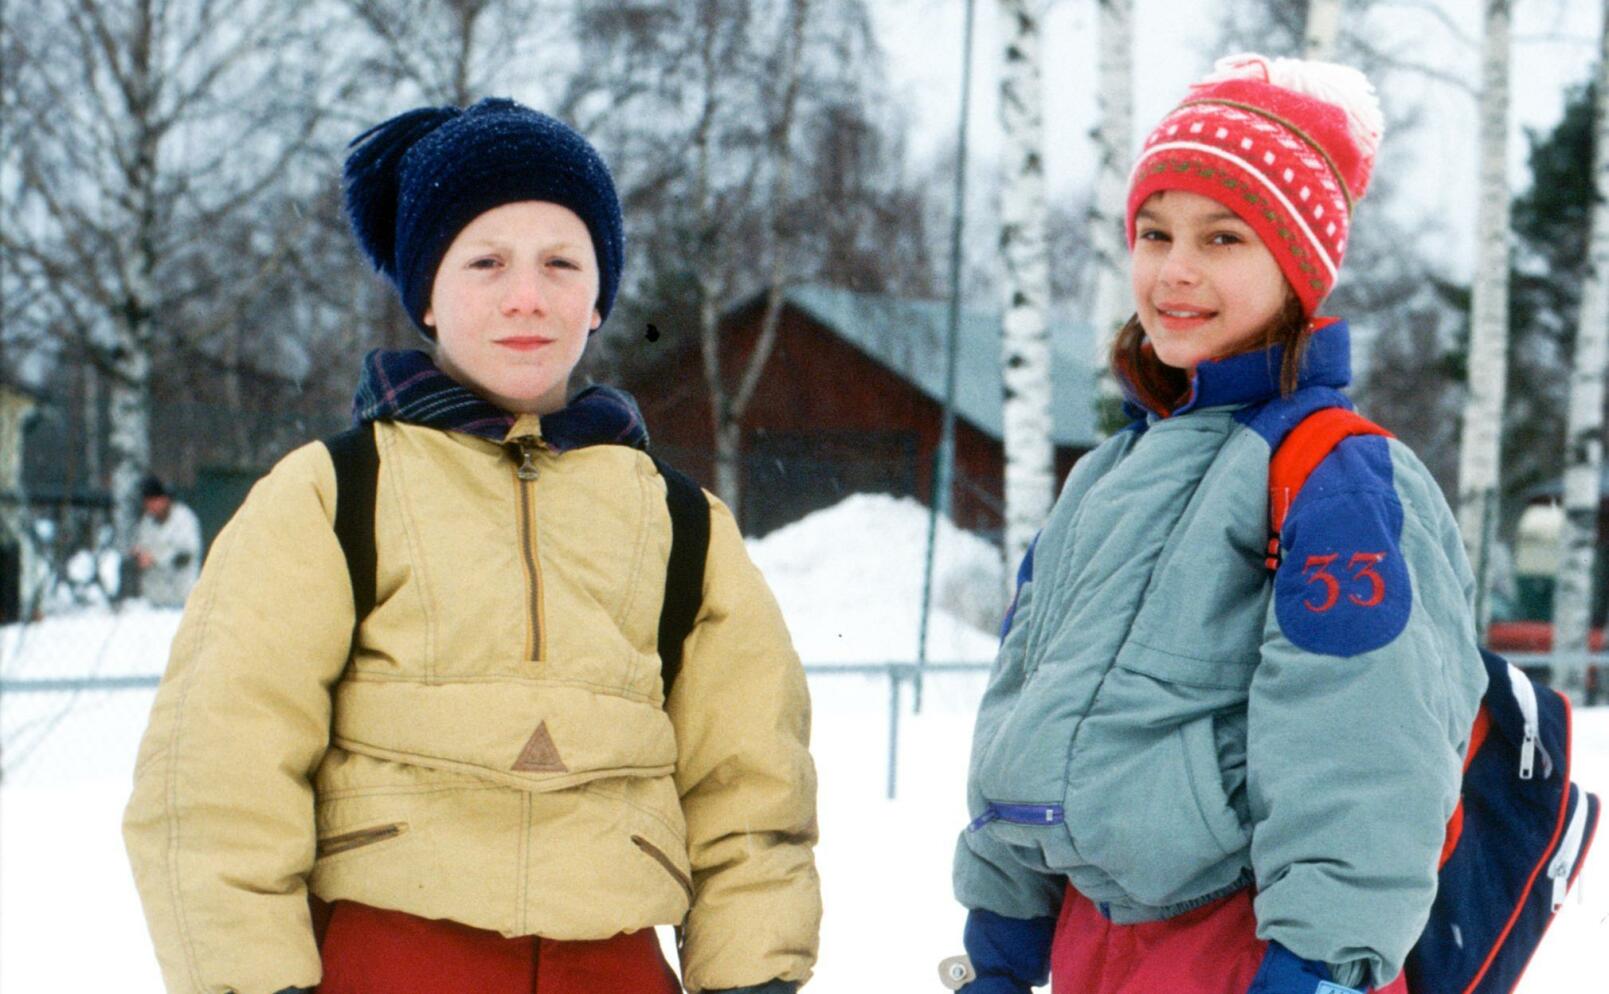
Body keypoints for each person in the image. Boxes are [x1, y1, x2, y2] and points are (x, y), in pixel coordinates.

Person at [124, 97, 819, 994]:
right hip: (384, 962)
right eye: (485, 260)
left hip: (611, 966)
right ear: (425, 293)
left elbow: (750, 788)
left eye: (561, 262)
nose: (525, 295)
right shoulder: (334, 495)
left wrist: (751, 977)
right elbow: (217, 776)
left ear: (599, 295)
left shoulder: (681, 525)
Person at [950, 55, 1487, 994]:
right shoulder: (1107, 474)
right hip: (1095, 939)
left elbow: (1368, 741)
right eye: (1153, 234)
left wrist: (1317, 962)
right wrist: (1001, 932)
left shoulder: (1332, 472)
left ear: (1297, 270)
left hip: (1245, 946)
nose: (1175, 271)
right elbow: (1026, 701)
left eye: (1224, 239)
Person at [129, 474, 201, 608]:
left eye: (153, 501)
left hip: (182, 601)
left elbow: (185, 556)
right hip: (154, 601)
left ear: (164, 499)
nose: (150, 507)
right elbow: (141, 547)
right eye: (147, 502)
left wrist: (155, 559)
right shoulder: (147, 522)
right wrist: (138, 555)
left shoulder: (184, 519)